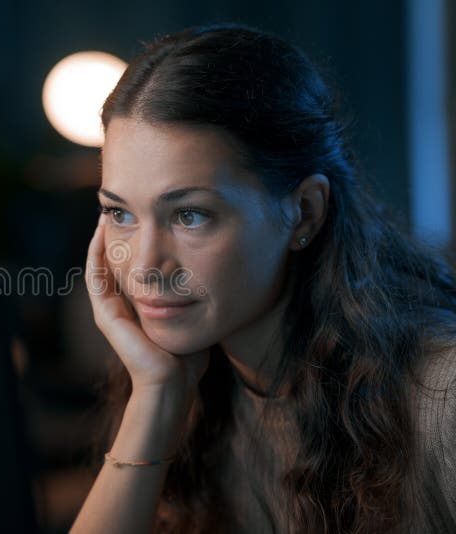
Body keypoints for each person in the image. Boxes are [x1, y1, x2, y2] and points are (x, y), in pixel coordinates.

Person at [70, 22, 456, 534]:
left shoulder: (440, 399)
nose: (143, 266)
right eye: (120, 214)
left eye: (189, 215)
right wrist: (156, 396)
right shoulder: (188, 390)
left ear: (304, 214)